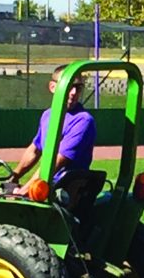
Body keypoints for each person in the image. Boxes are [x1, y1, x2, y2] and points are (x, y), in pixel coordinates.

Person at [8, 65, 96, 193]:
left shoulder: (83, 121)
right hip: (46, 187)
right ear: (53, 87)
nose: (73, 93)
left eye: (78, 88)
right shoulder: (48, 115)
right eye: (69, 86)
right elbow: (34, 150)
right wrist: (13, 178)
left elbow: (56, 162)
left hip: (64, 191)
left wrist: (24, 191)